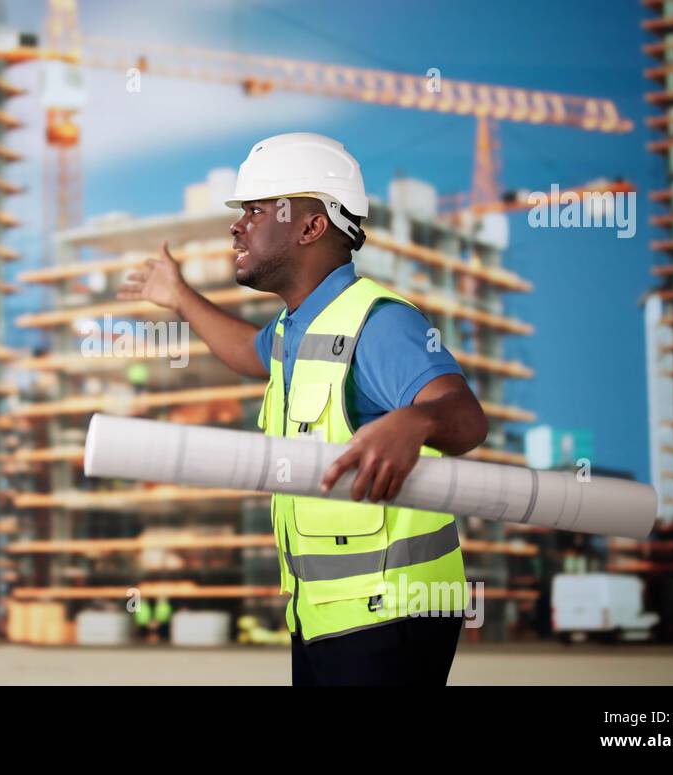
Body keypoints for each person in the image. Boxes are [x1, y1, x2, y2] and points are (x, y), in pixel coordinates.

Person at [118, 133, 489, 686]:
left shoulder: (377, 321)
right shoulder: (299, 327)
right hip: (324, 615)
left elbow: (465, 417)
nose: (237, 226)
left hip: (389, 616)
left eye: (256, 211)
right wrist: (180, 297)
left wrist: (416, 420)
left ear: (311, 226)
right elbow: (247, 351)